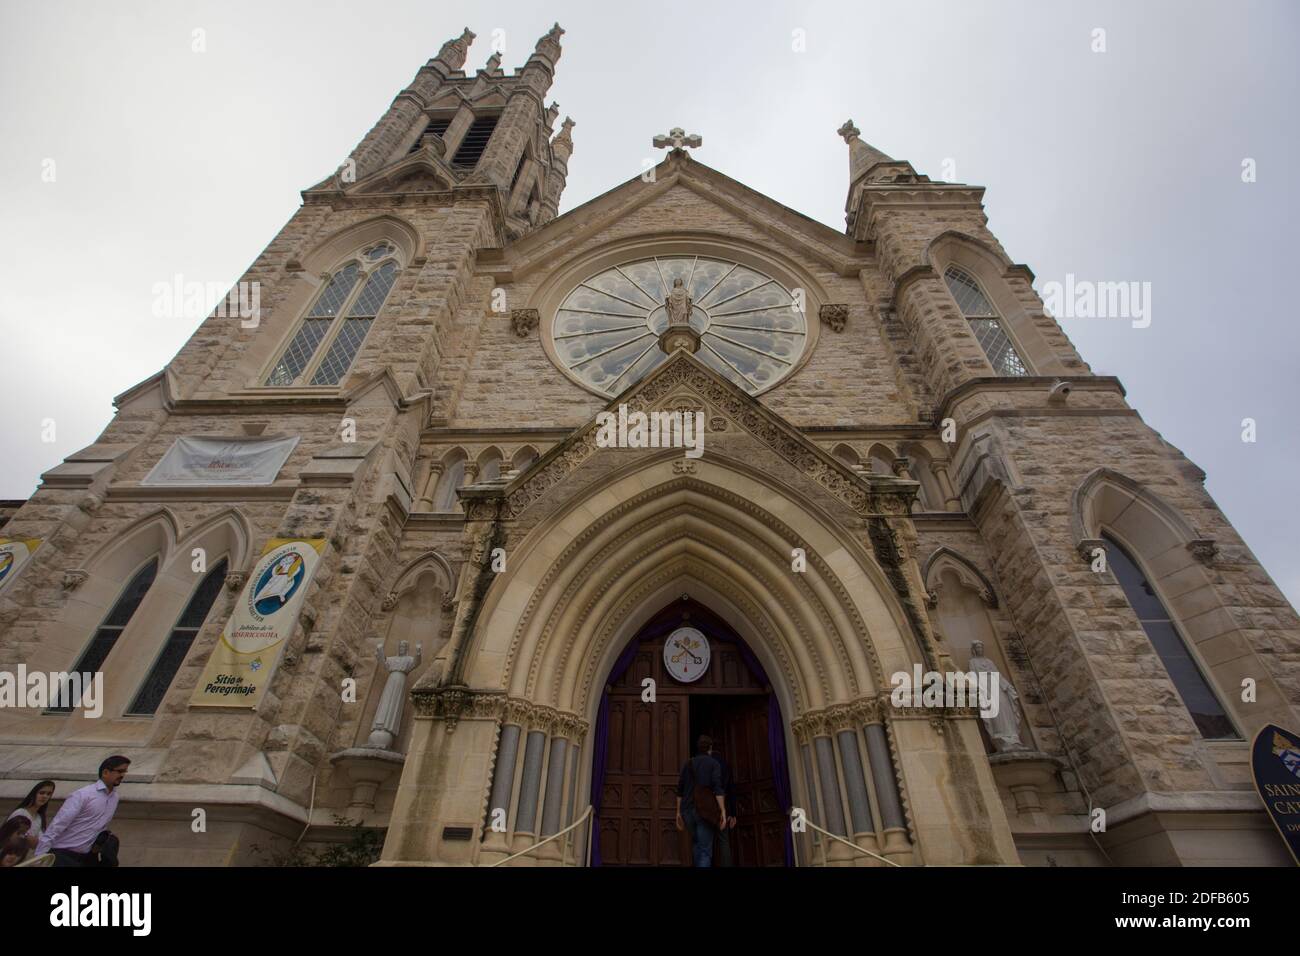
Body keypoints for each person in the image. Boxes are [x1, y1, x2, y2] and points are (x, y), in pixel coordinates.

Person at [36, 755, 129, 867]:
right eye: (120, 771)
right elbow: (58, 824)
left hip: (87, 858)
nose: (123, 775)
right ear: (105, 772)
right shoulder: (83, 795)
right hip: (63, 856)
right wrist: (40, 856)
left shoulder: (114, 798)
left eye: (125, 772)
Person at [675, 734, 726, 868]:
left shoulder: (688, 764)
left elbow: (679, 789)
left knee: (697, 844)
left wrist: (678, 813)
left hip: (687, 811)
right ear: (710, 748)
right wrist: (723, 811)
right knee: (704, 851)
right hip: (704, 811)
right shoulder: (714, 763)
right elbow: (717, 788)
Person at [709, 741, 738, 867]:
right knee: (724, 841)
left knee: (705, 842)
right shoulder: (725, 764)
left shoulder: (706, 764)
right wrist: (732, 813)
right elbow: (731, 789)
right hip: (723, 807)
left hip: (708, 807)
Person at [7, 780, 55, 851]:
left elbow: (41, 842)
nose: (45, 796)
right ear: (34, 793)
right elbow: (11, 837)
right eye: (42, 793)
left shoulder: (39, 818)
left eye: (48, 794)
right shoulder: (20, 813)